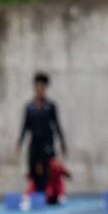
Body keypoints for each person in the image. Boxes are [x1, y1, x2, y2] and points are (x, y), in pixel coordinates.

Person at [19, 73, 67, 202]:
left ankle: (49, 193)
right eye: (37, 87)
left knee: (47, 168)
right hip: (34, 142)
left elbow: (56, 125)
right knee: (33, 167)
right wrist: (20, 142)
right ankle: (37, 193)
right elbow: (25, 126)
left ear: (45, 89)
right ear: (35, 88)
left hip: (47, 142)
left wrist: (62, 143)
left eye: (42, 87)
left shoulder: (50, 106)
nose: (39, 89)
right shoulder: (29, 107)